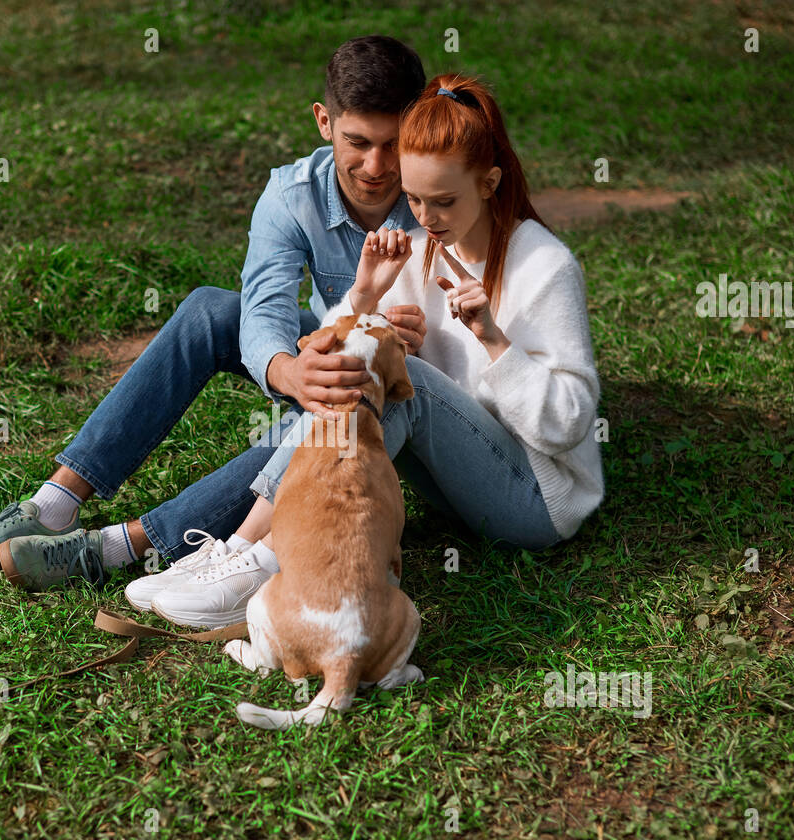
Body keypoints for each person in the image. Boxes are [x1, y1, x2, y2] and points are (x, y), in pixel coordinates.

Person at [0, 36, 428, 596]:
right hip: (324, 357)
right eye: (357, 142)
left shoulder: (436, 195)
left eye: (394, 145)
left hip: (408, 400)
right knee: (211, 309)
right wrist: (288, 371)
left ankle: (119, 548)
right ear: (323, 122)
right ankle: (55, 502)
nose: (377, 166)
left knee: (325, 412)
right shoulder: (292, 194)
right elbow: (263, 305)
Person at [145, 74, 605, 629]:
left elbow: (568, 426)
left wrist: (492, 339)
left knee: (398, 380)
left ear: (489, 182)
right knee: (361, 368)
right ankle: (243, 550)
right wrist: (365, 294)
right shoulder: (422, 248)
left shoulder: (545, 267)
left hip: (536, 501)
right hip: (453, 484)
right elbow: (340, 359)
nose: (426, 220)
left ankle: (263, 559)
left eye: (443, 201)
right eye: (412, 199)